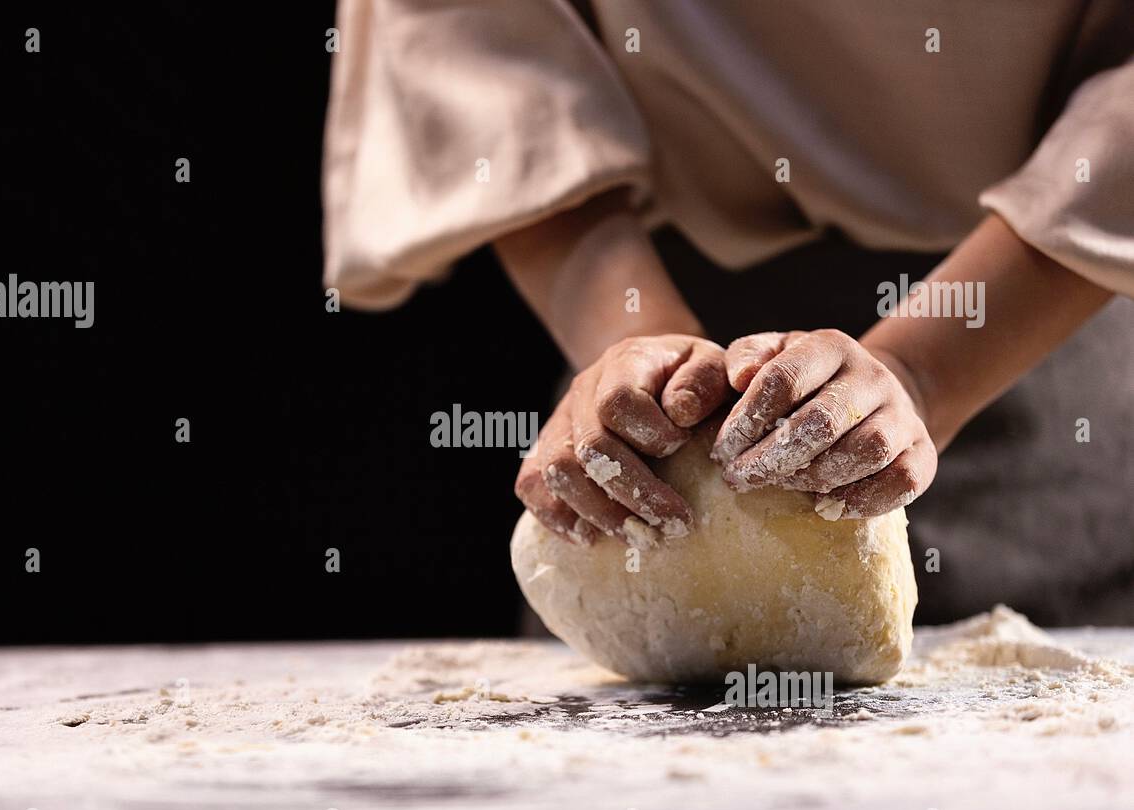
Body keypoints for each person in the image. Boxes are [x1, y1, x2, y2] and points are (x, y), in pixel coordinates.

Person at [322, 0, 1134, 625]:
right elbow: (481, 51)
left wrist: (926, 370)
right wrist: (633, 340)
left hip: (1041, 314)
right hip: (640, 348)